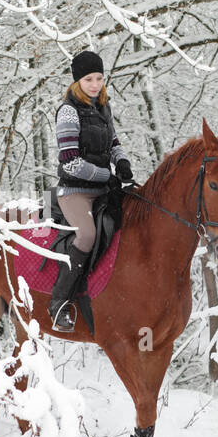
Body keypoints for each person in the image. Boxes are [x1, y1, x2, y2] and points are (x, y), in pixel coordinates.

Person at [49, 49, 135, 331]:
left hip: (102, 187)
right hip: (74, 191)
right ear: (77, 82)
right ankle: (59, 303)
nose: (96, 84)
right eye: (89, 79)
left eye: (99, 78)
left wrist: (121, 162)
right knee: (87, 234)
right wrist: (104, 176)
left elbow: (113, 142)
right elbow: (70, 163)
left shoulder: (103, 107)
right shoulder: (68, 112)